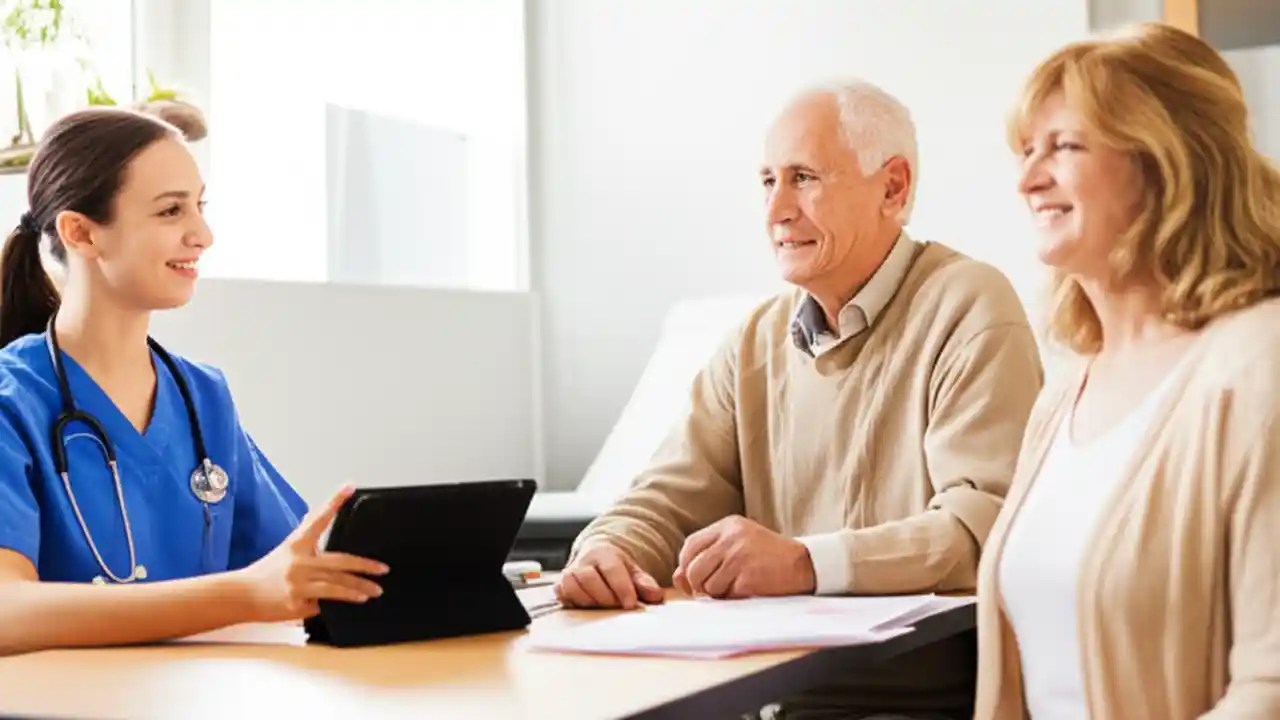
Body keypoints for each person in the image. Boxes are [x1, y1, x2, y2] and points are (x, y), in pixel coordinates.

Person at [555, 79, 1044, 718]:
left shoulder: (970, 305)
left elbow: (986, 527)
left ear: (893, 189)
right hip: (771, 698)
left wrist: (805, 563)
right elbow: (665, 498)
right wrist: (606, 551)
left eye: (804, 178)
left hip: (920, 707)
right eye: (767, 181)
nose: (776, 210)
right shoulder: (752, 342)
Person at [975, 22, 1280, 719]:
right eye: (1026, 151)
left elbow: (1271, 688)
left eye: (1065, 147)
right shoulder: (1063, 396)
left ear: (1166, 165)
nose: (1027, 179)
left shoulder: (1260, 365)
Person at [0, 108, 387, 655]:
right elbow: (5, 613)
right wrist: (241, 596)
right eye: (170, 210)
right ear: (81, 232)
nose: (201, 234)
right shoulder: (11, 403)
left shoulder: (202, 397)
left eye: (199, 207)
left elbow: (291, 568)